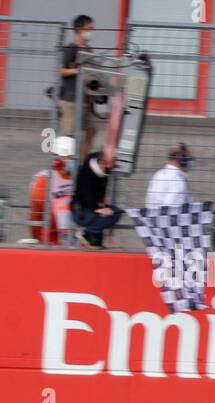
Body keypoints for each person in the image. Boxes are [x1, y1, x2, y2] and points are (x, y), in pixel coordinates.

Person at [28, 136, 77, 245]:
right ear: (60, 158)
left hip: (70, 238)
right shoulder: (43, 179)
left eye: (74, 158)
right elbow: (42, 209)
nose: (74, 161)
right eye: (71, 158)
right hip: (48, 240)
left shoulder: (73, 178)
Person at [58, 15, 96, 149]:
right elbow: (61, 71)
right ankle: (62, 166)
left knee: (92, 130)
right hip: (71, 99)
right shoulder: (71, 49)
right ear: (80, 30)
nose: (92, 31)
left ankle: (81, 165)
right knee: (67, 136)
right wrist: (77, 71)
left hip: (86, 99)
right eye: (89, 28)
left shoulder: (89, 50)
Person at [70, 149, 122, 248]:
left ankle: (93, 234)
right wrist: (98, 209)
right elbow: (86, 195)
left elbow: (101, 195)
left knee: (116, 212)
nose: (111, 168)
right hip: (81, 209)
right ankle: (88, 235)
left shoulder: (103, 172)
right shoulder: (86, 172)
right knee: (100, 215)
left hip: (92, 206)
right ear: (101, 163)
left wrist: (102, 207)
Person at [145, 143, 194, 209]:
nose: (191, 162)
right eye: (190, 159)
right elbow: (171, 212)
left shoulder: (158, 174)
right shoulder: (178, 181)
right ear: (182, 160)